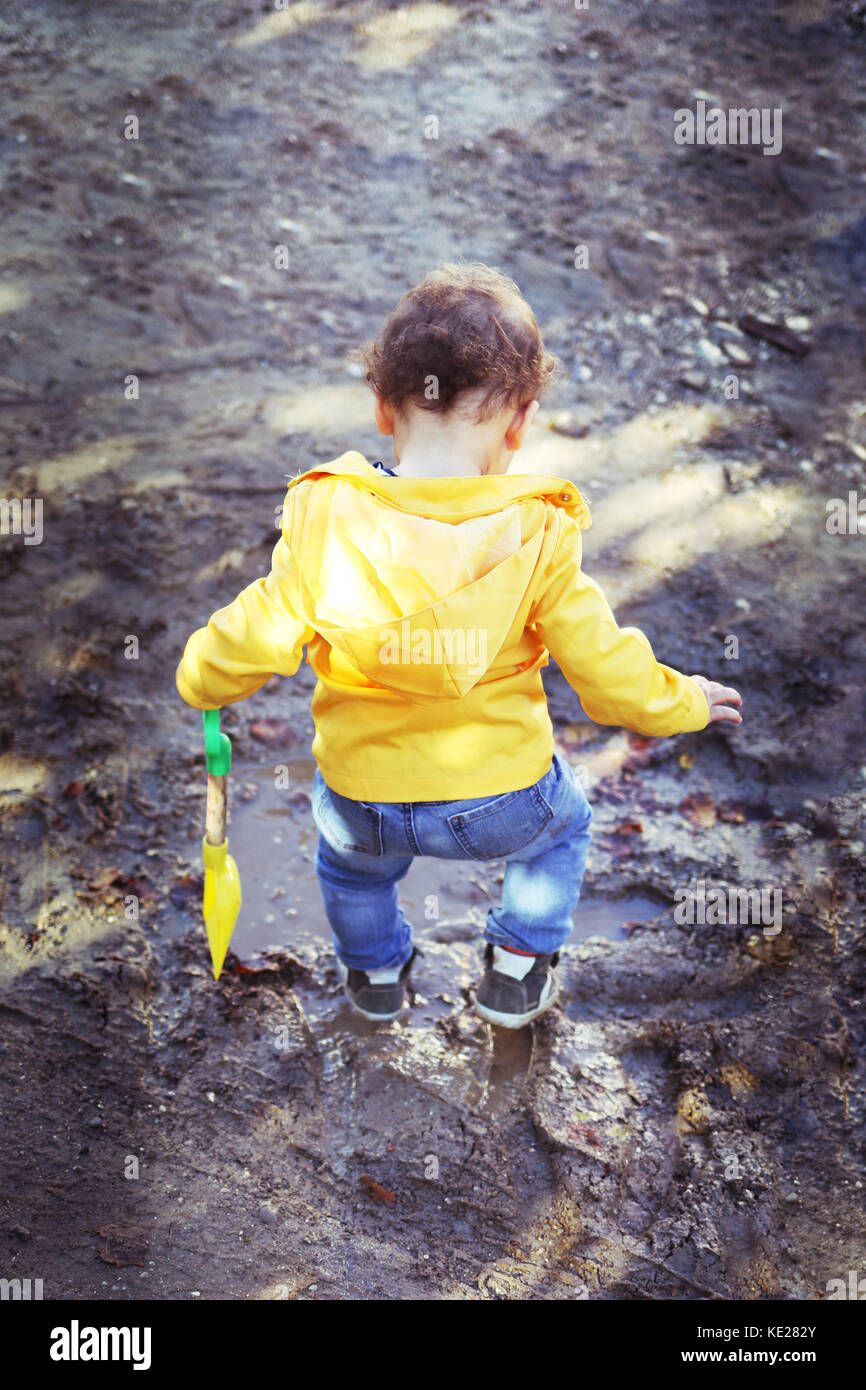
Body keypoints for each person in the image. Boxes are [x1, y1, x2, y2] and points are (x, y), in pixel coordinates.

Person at [176, 262, 743, 1028]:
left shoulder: (326, 521)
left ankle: (375, 981)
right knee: (563, 828)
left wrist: (201, 676)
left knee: (352, 875)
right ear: (520, 422)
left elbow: (257, 633)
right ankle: (514, 972)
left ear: (383, 407)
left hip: (362, 796)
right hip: (500, 796)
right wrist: (684, 701)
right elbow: (607, 677)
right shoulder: (538, 530)